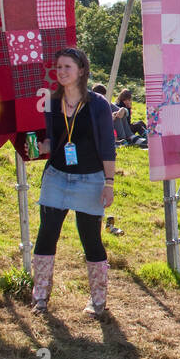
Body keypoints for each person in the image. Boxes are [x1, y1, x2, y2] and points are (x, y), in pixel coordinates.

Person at [30, 48, 117, 318]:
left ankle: (98, 301)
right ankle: (40, 297)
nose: (62, 71)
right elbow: (53, 139)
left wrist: (109, 182)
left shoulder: (98, 104)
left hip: (90, 180)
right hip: (56, 176)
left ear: (81, 70)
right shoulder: (52, 102)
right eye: (59, 67)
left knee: (90, 239)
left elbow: (107, 145)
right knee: (46, 235)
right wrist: (42, 145)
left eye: (68, 67)